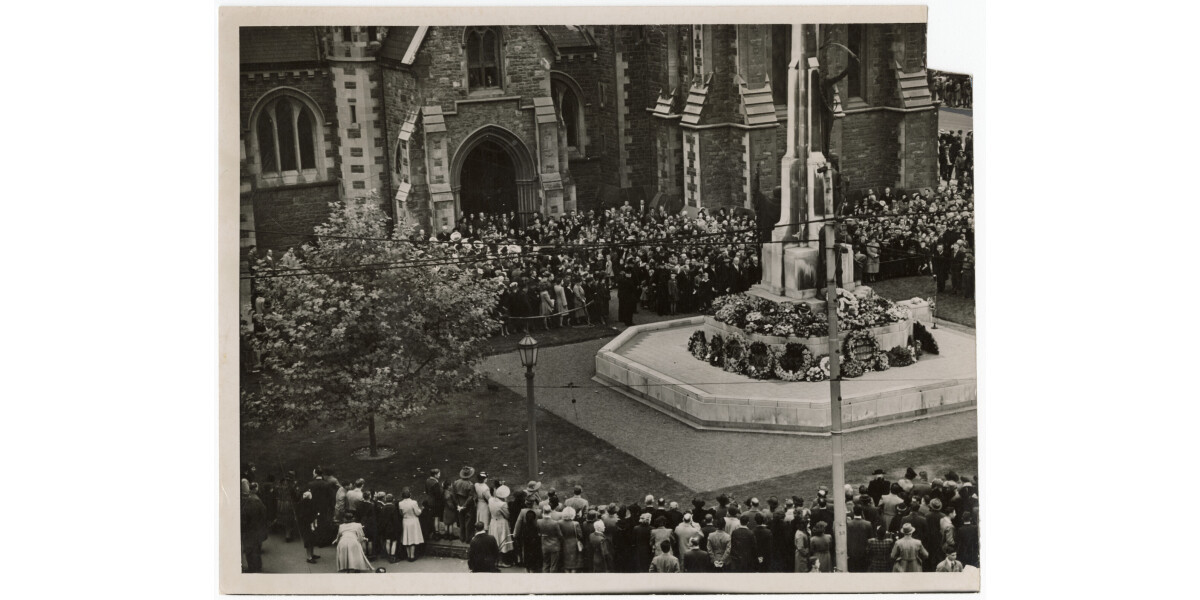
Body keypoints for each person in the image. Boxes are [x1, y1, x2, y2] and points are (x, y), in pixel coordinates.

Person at [241, 481, 268, 573]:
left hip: (250, 529)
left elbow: (244, 516)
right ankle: (257, 567)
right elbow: (264, 513)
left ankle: (252, 568)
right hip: (257, 528)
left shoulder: (249, 500)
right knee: (256, 549)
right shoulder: (257, 500)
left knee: (250, 549)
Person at [512, 497, 542, 572]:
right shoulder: (538, 511)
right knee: (535, 549)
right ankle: (534, 565)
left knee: (526, 549)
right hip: (535, 533)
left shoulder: (523, 511)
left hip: (526, 533)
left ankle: (528, 566)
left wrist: (515, 534)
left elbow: (518, 523)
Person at [488, 485, 514, 567]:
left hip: (493, 522)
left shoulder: (490, 500)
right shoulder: (503, 504)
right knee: (502, 540)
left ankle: (496, 561)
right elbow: (507, 515)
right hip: (501, 523)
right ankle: (500, 561)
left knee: (495, 540)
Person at [397, 488, 423, 562]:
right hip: (413, 521)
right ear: (410, 495)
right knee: (413, 538)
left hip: (405, 521)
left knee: (407, 538)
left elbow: (401, 513)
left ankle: (408, 555)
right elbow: (417, 513)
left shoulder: (400, 503)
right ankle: (412, 556)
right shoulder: (413, 502)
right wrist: (421, 509)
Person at [536, 502, 563, 573]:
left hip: (544, 545)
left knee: (545, 564)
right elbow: (560, 535)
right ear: (550, 512)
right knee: (554, 565)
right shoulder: (555, 523)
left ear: (543, 512)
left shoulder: (538, 521)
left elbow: (538, 533)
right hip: (555, 545)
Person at [452, 467, 477, 543]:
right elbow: (470, 497)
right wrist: (464, 505)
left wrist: (458, 505)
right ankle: (468, 538)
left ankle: (462, 537)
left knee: (461, 521)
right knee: (468, 522)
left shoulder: (456, 482)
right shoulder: (470, 484)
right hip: (468, 506)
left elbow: (453, 495)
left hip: (459, 504)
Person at [296, 490, 321, 564]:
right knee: (309, 540)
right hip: (308, 525)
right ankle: (309, 557)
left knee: (311, 540)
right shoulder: (308, 504)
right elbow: (310, 514)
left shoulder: (302, 504)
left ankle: (311, 555)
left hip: (307, 524)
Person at [846, 505, 873, 572]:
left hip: (852, 552)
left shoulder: (849, 524)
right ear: (861, 512)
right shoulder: (868, 524)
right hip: (864, 552)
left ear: (853, 511)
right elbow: (870, 539)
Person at [559, 506, 583, 573]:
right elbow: (580, 535)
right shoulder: (576, 523)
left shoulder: (559, 523)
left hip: (564, 543)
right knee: (573, 564)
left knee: (565, 564)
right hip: (574, 545)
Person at [379, 493, 401, 563]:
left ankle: (388, 556)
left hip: (386, 527)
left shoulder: (383, 508)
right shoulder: (394, 507)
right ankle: (392, 556)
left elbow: (381, 519)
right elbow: (396, 519)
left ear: (386, 500)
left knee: (387, 541)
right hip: (393, 527)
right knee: (394, 541)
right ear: (393, 499)